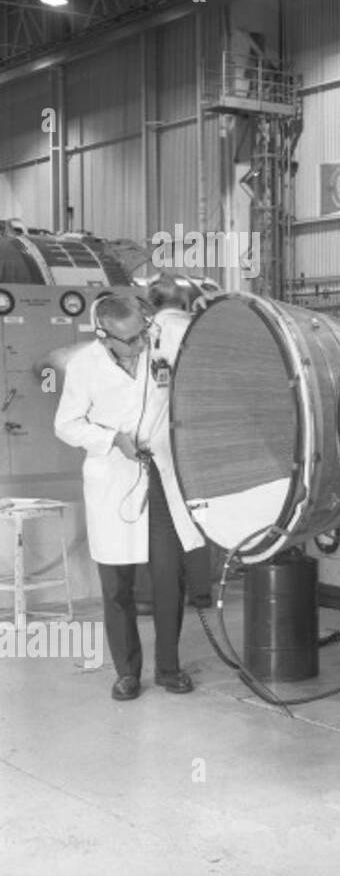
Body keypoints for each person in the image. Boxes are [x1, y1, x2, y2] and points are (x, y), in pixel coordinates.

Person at [53, 293, 206, 701]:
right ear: (104, 336)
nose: (141, 344)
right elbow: (66, 425)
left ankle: (170, 668)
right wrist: (111, 440)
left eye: (143, 333)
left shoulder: (160, 349)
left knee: (168, 578)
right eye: (131, 339)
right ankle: (127, 672)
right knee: (117, 586)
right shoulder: (84, 366)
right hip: (113, 480)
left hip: (159, 475)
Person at [147, 275, 212, 610]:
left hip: (148, 438)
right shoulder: (196, 328)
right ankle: (201, 591)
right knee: (197, 511)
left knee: (160, 521)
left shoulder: (144, 332)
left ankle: (154, 595)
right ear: (185, 301)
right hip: (192, 431)